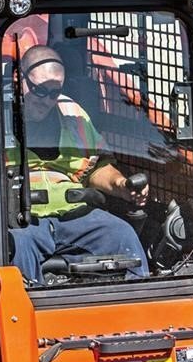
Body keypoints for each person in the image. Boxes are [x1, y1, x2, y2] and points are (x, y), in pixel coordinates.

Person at [8, 45, 149, 284]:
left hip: (74, 214)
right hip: (21, 218)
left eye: (54, 92)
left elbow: (95, 167)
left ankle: (139, 304)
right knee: (18, 246)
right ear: (18, 78)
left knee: (121, 234)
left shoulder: (72, 112)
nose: (47, 100)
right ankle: (27, 313)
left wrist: (121, 184)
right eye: (40, 91)